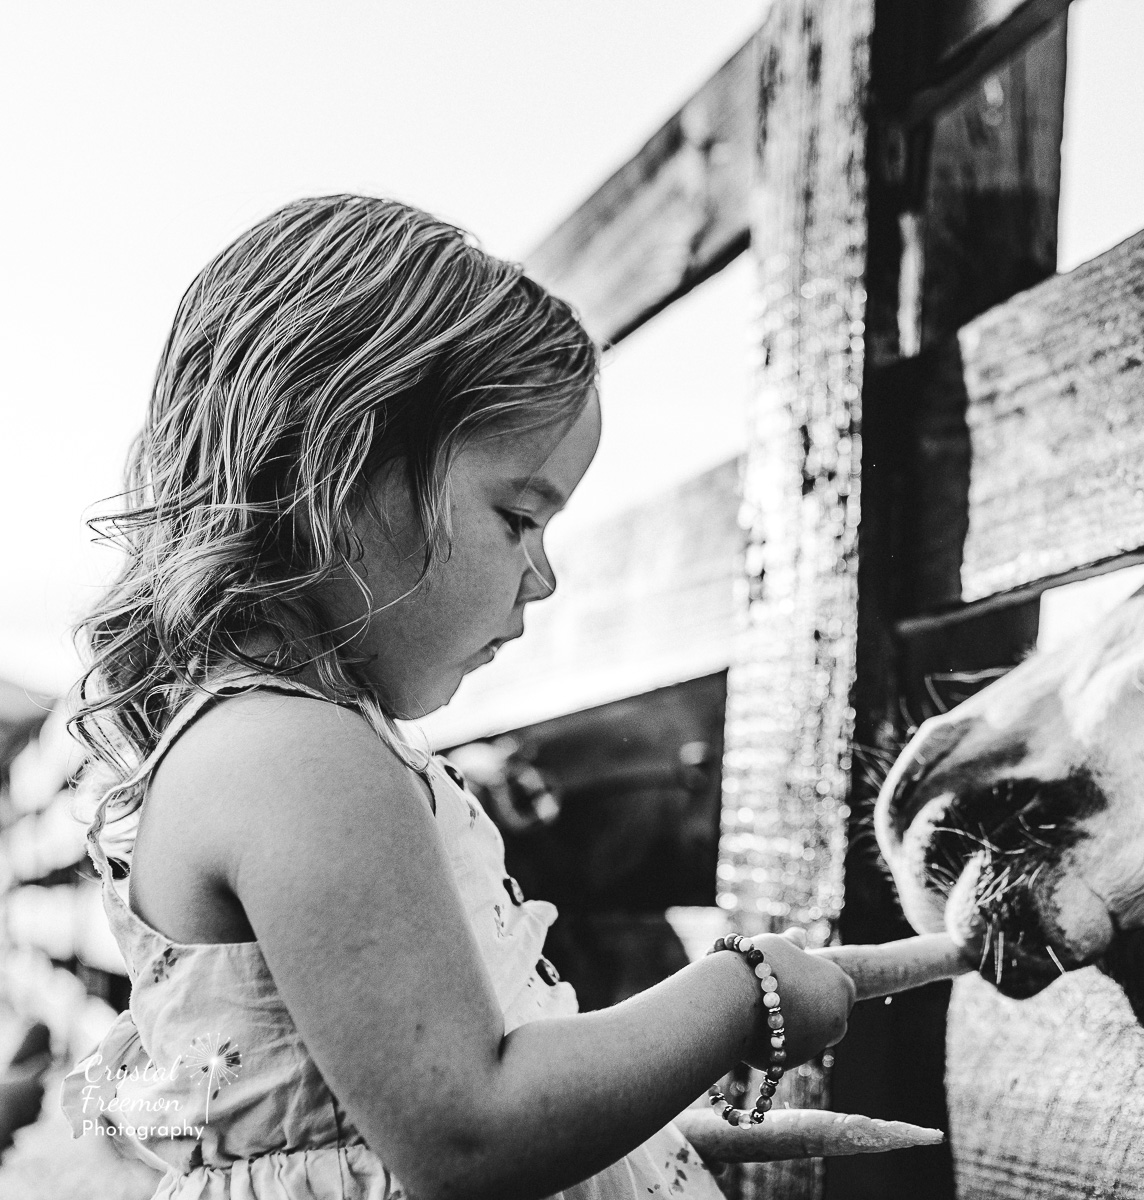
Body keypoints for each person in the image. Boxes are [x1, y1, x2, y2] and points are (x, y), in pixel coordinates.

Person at [58, 195, 858, 1200]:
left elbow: (377, 1101)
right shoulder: (295, 753)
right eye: (519, 516)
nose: (544, 574)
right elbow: (470, 1134)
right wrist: (747, 997)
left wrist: (626, 1133)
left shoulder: (281, 740)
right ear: (338, 468)